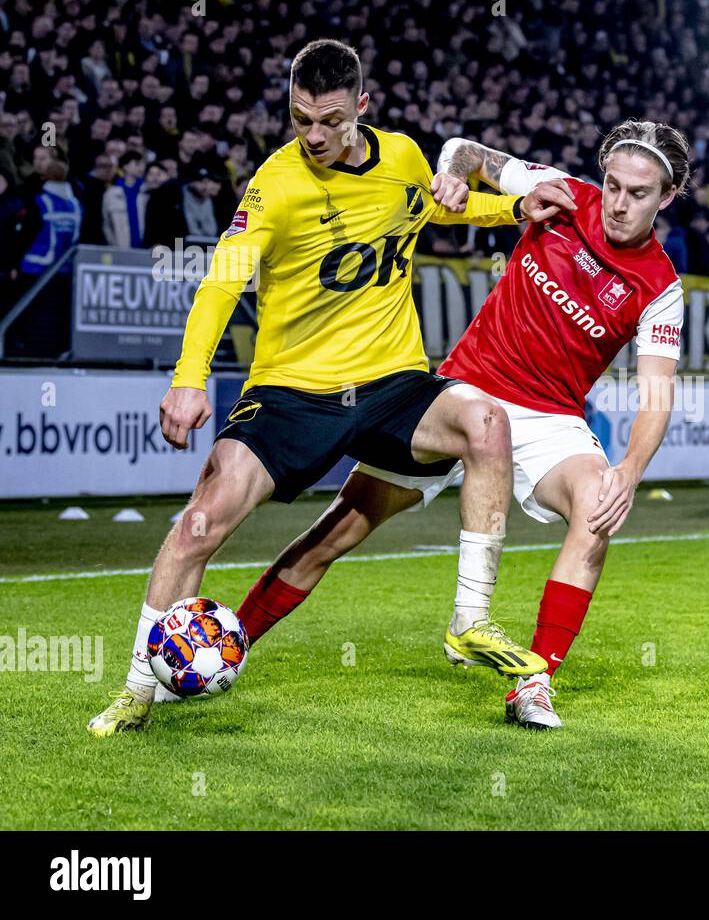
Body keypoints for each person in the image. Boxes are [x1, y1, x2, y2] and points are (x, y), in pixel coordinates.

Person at [87, 38, 571, 737]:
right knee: (198, 525)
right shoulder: (275, 184)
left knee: (486, 424)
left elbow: (435, 211)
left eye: (329, 120)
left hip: (391, 380)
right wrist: (188, 380)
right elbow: (223, 281)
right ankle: (136, 691)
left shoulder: (404, 156)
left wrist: (511, 212)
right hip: (291, 391)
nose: (313, 135)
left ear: (362, 108)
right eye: (300, 118)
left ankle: (470, 620)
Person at [227, 119, 689, 731]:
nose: (620, 204)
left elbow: (656, 388)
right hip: (463, 393)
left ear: (668, 198)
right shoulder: (557, 193)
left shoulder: (660, 287)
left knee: (597, 504)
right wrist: (447, 172)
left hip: (549, 418)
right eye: (612, 185)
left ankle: (534, 682)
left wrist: (629, 472)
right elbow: (468, 152)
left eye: (639, 193)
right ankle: (228, 649)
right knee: (337, 531)